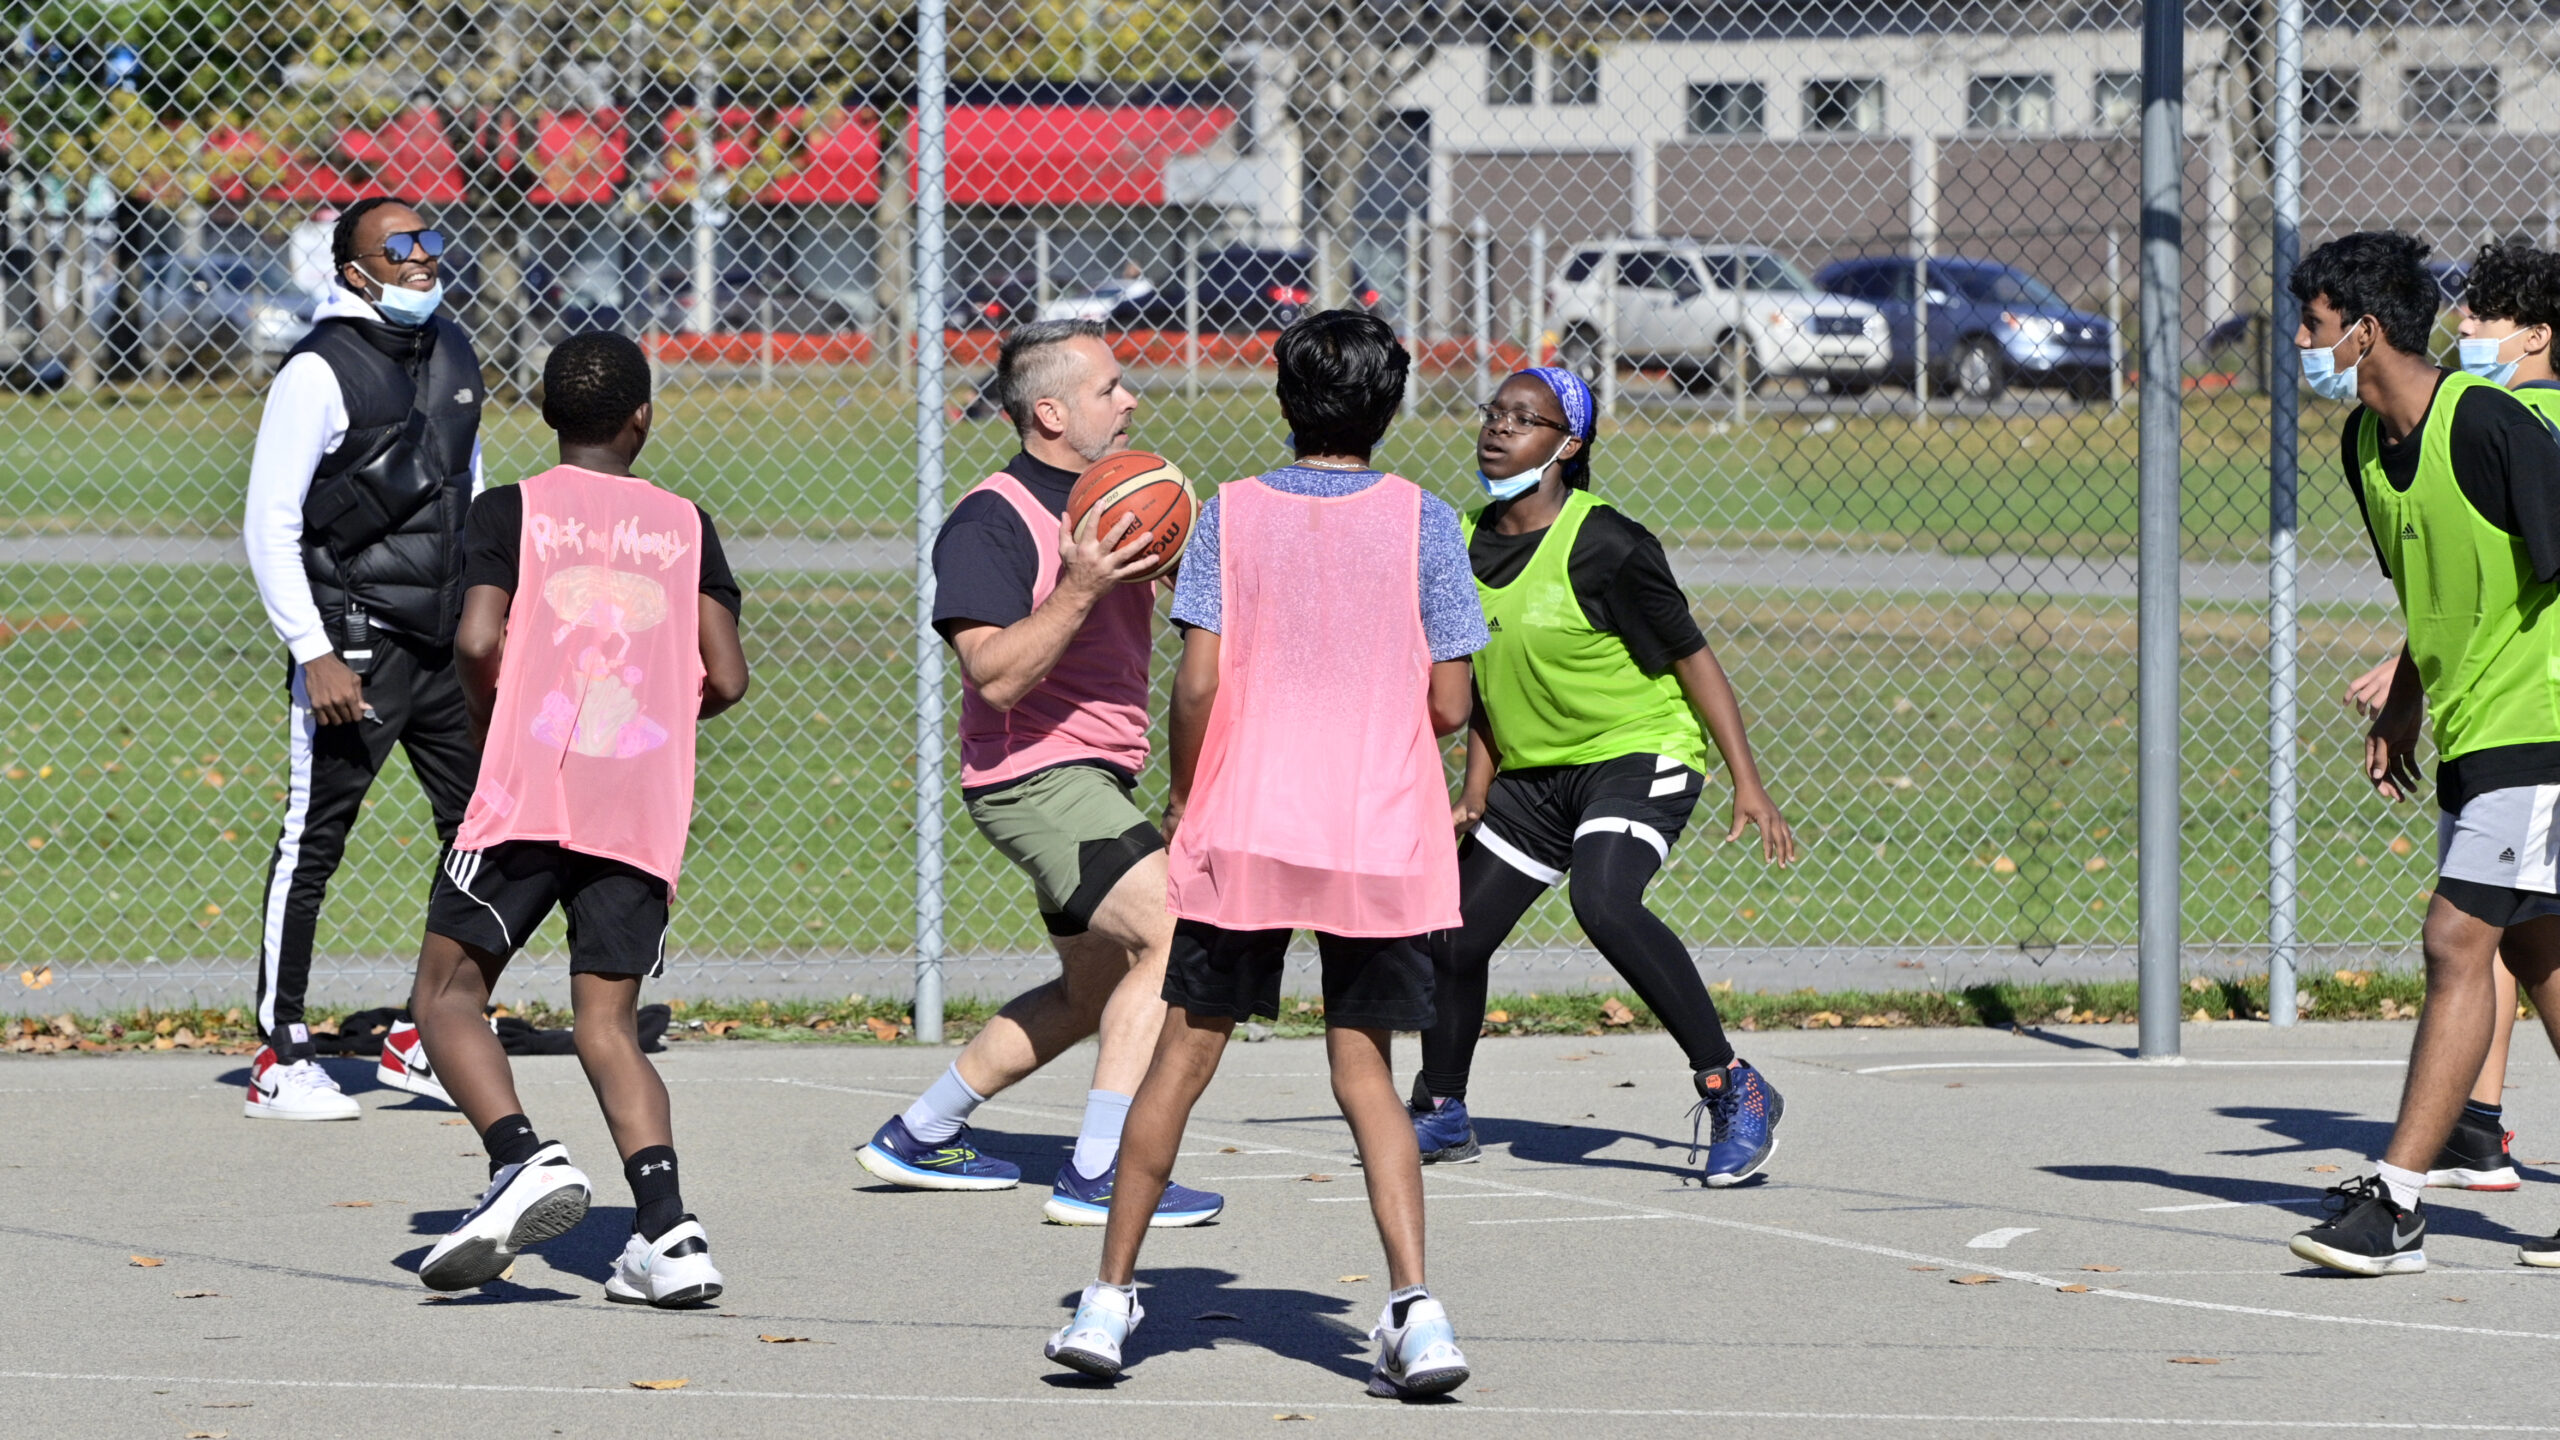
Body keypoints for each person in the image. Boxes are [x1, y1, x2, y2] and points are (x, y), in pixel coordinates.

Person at [1044, 311, 1486, 1397]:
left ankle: (1105, 1303)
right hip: (1375, 825)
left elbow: (1196, 684)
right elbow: (1449, 699)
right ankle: (1416, 1314)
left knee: (1183, 1055)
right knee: (1366, 1070)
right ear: (1391, 408)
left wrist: (1193, 786)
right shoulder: (1427, 523)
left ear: (1283, 401)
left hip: (1250, 816)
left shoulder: (1229, 518)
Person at [855, 319, 1224, 1228]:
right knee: (1178, 933)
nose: (1130, 399)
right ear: (1051, 411)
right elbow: (995, 674)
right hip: (1036, 778)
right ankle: (1101, 1171)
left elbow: (1213, 622)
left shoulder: (1128, 495)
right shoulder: (992, 519)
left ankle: (919, 1132)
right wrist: (1083, 583)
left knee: (1092, 994)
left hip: (1095, 777)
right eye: (1109, 389)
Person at [407, 332, 749, 1302]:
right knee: (610, 1025)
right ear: (643, 416)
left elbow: (479, 635)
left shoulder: (509, 508)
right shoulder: (687, 525)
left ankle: (520, 1156)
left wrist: (494, 713)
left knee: (447, 996)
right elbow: (725, 676)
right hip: (635, 803)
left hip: (530, 784)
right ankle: (667, 1233)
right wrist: (649, 724)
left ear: (548, 417)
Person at [1410, 366, 1797, 1185]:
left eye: (1526, 418)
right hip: (1534, 775)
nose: (1499, 428)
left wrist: (1747, 781)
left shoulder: (1607, 544)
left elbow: (1694, 660)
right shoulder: (1460, 538)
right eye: (1496, 412)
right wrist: (1477, 786)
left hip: (1637, 752)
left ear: (1568, 444)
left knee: (1604, 900)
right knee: (1450, 934)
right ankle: (1442, 1110)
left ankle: (1734, 1086)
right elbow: (1482, 678)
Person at [2286, 231, 2560, 1277]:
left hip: (2541, 729)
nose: (2302, 347)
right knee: (2536, 953)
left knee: (2455, 940)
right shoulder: (2365, 448)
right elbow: (2425, 591)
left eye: (2311, 327)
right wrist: (2401, 704)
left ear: (2362, 331)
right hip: (2473, 729)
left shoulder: (2487, 421)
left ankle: (2394, 1199)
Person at [241, 195, 484, 1120]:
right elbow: (269, 524)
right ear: (355, 270)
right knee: (316, 839)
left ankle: (426, 1034)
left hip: (443, 641)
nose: (424, 258)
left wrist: (482, 617)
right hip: (353, 641)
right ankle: (279, 1051)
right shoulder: (316, 371)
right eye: (401, 247)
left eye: (430, 241)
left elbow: (468, 485)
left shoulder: (452, 347)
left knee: (481, 831)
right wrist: (313, 652)